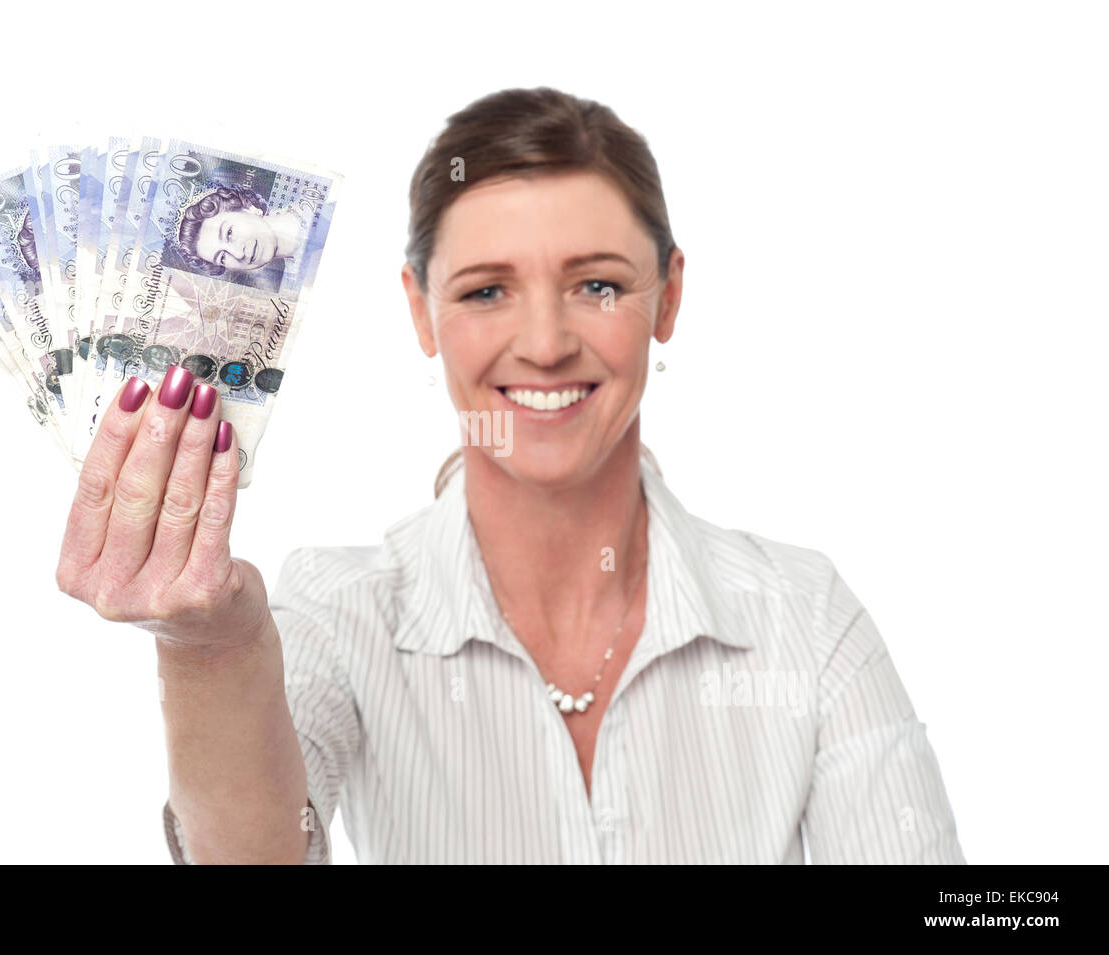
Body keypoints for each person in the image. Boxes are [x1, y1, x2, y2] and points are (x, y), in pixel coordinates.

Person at [55, 86, 966, 864]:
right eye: (486, 289)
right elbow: (258, 853)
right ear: (421, 311)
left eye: (598, 285)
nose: (544, 343)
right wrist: (213, 648)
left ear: (669, 296)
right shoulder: (343, 606)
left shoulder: (804, 617)